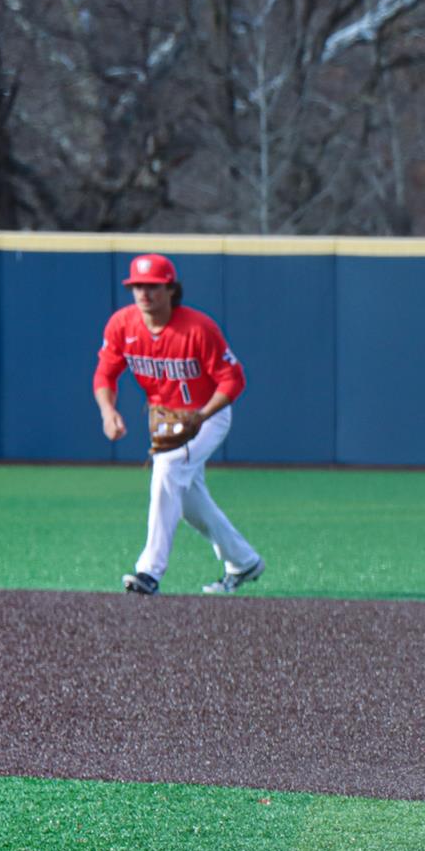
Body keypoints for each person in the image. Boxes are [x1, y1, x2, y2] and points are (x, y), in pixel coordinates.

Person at [93, 253, 265, 596]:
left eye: (153, 286)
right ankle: (243, 561)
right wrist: (107, 411)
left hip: (208, 415)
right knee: (189, 503)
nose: (144, 293)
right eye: (137, 286)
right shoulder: (122, 325)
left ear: (171, 289)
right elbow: (105, 373)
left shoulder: (198, 328)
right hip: (165, 418)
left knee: (169, 468)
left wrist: (201, 416)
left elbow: (233, 380)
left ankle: (149, 571)